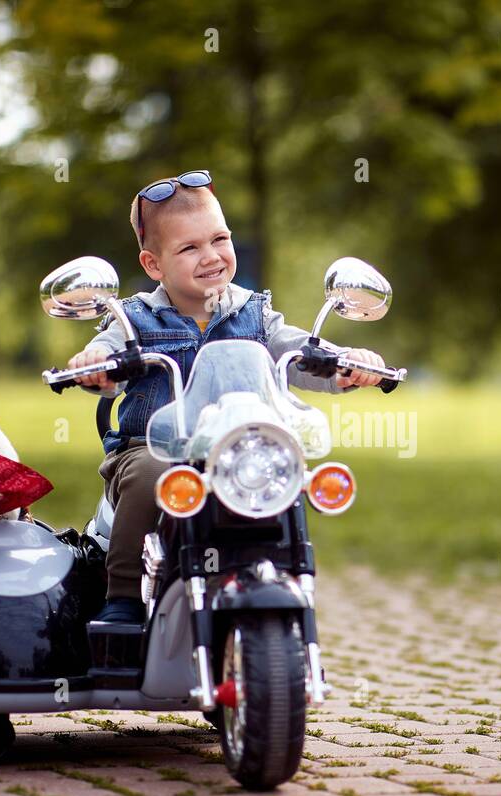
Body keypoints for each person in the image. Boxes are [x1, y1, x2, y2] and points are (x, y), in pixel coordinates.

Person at [68, 170, 386, 623]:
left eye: (220, 239)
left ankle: (286, 576)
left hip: (239, 449)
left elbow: (297, 350)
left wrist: (344, 363)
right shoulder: (135, 318)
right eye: (189, 248)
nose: (211, 256)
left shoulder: (255, 314)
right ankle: (123, 597)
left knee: (284, 477)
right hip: (155, 449)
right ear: (154, 265)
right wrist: (95, 364)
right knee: (149, 475)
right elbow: (107, 351)